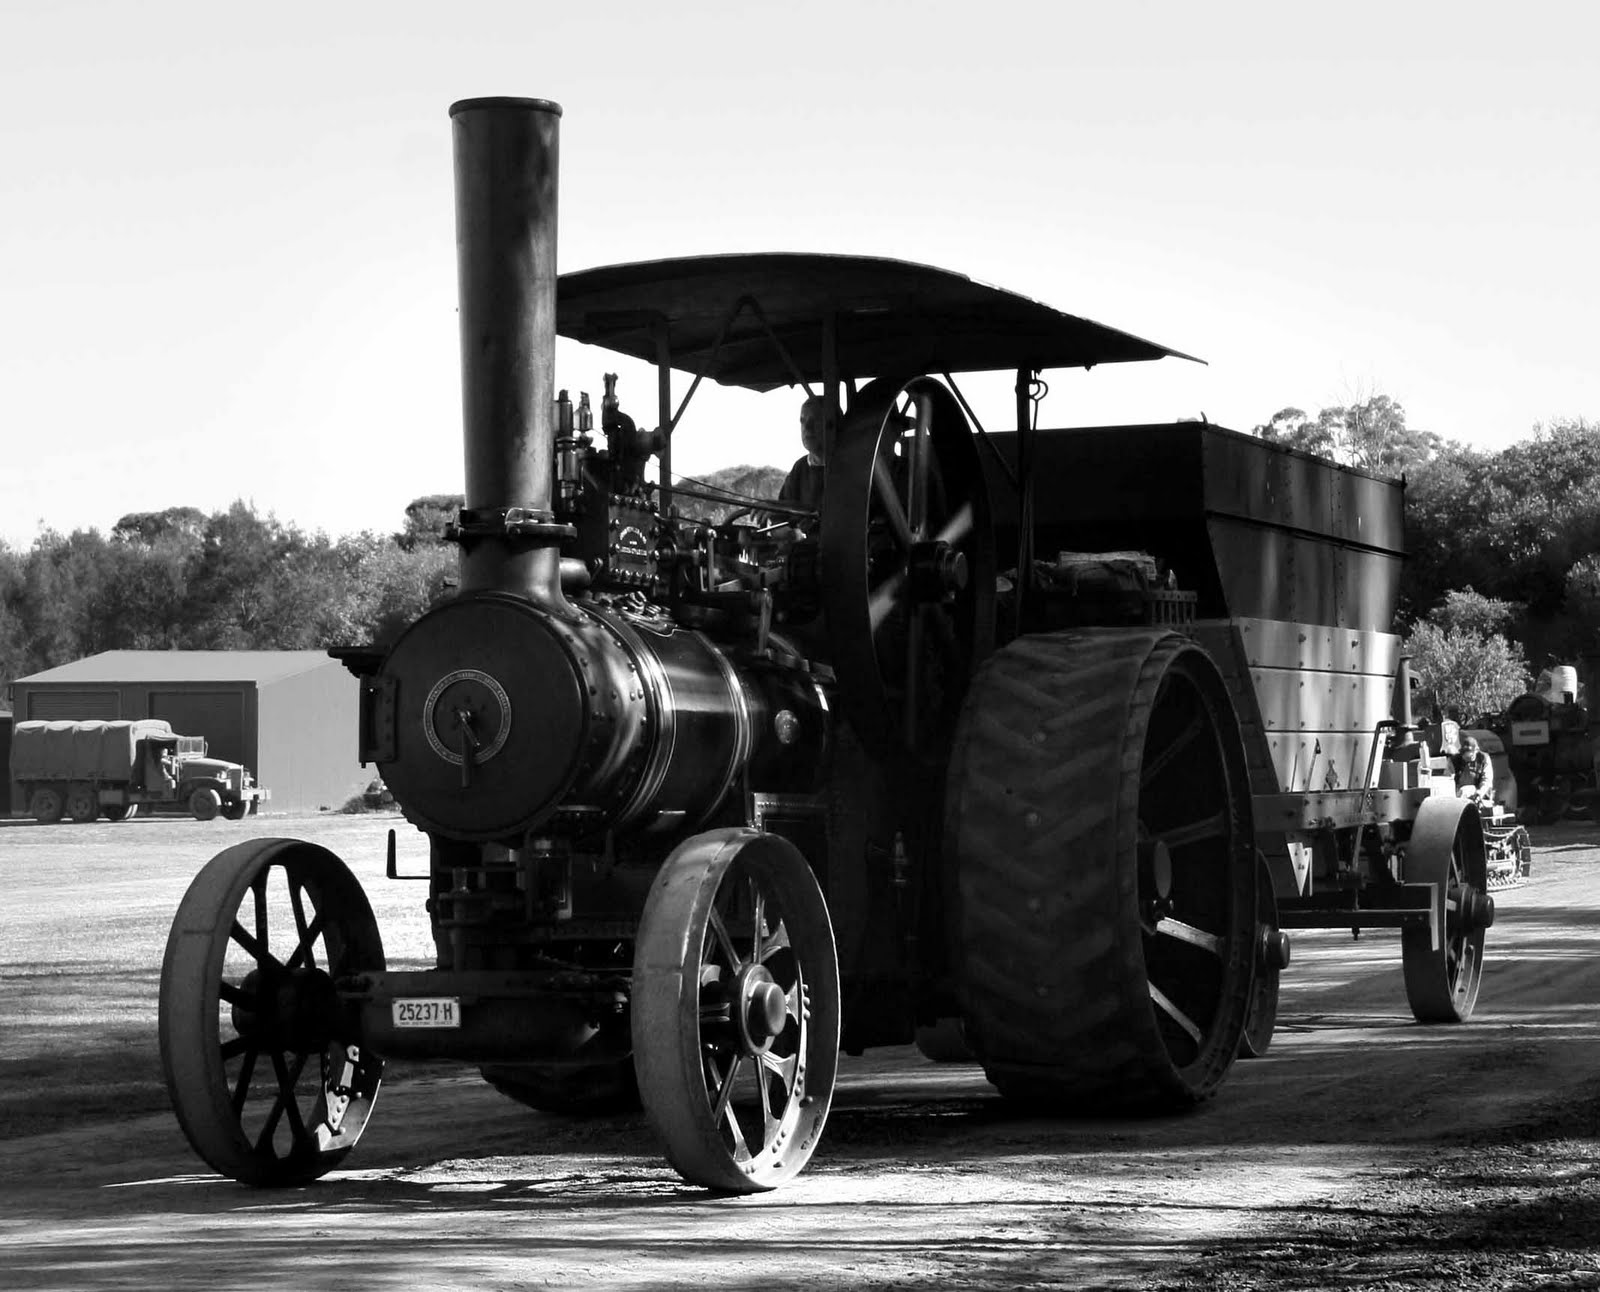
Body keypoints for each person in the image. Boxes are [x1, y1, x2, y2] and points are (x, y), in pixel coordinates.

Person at [777, 394, 830, 515]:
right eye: (803, 421)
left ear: (832, 424)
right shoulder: (800, 468)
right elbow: (779, 517)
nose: (807, 427)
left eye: (815, 420)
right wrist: (784, 531)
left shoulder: (852, 466)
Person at [1454, 735, 1494, 803]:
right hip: (1458, 794)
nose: (1467, 760)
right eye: (1465, 757)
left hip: (1479, 793)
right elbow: (1449, 780)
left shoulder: (1484, 759)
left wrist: (1480, 793)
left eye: (1470, 757)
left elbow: (1487, 780)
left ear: (1476, 750)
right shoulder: (1454, 760)